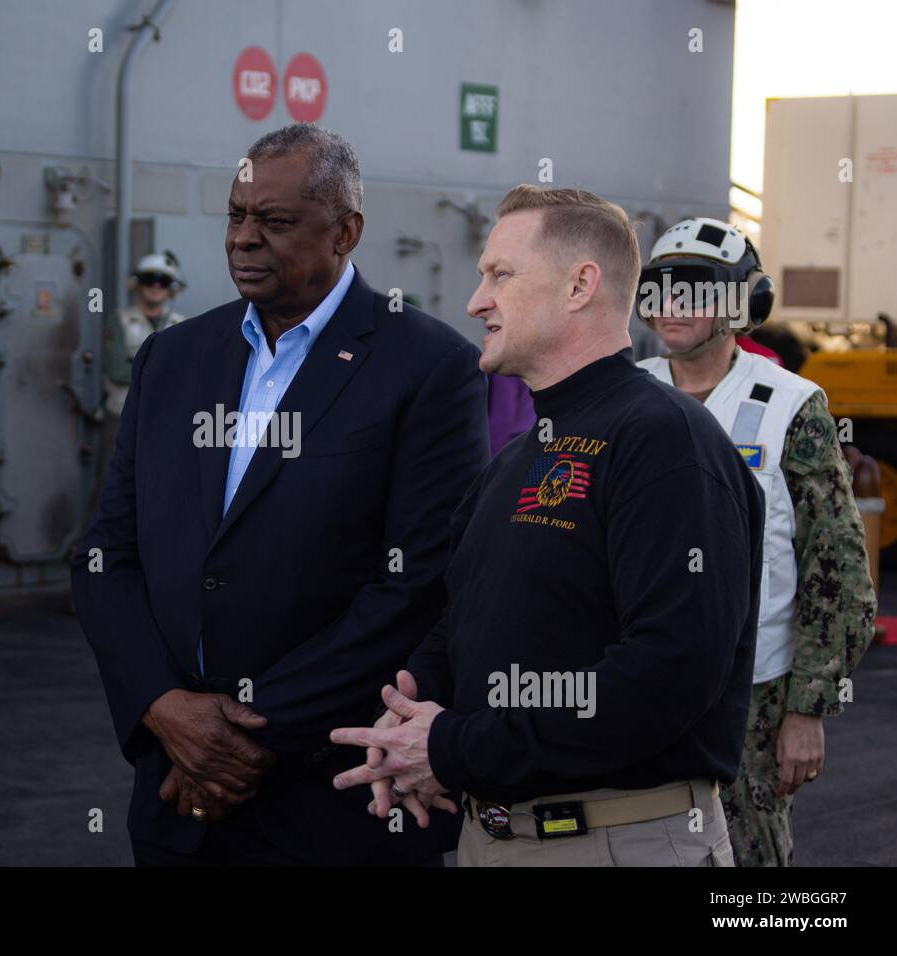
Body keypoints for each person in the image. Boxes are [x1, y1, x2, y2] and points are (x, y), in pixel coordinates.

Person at [71, 123, 489, 865]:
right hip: (175, 791)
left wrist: (237, 734)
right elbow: (108, 553)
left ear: (345, 232)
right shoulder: (173, 358)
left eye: (275, 221)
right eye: (236, 215)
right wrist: (163, 710)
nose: (243, 239)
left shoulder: (429, 368)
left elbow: (417, 588)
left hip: (327, 801)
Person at [330, 185, 763, 866]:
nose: (476, 301)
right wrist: (412, 708)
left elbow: (669, 672)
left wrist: (452, 748)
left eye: (501, 274)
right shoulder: (516, 459)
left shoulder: (665, 439)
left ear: (579, 285)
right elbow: (466, 616)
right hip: (492, 836)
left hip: (617, 842)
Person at [635, 217, 876, 866]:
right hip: (640, 685)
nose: (672, 306)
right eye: (660, 288)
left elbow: (837, 566)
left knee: (747, 864)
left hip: (756, 697)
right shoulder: (627, 393)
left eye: (696, 288)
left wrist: (808, 710)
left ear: (746, 304)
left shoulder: (791, 405)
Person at [100, 251, 187, 475]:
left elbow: (185, 375)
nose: (156, 285)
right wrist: (165, 371)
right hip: (121, 416)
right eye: (150, 279)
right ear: (138, 284)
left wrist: (138, 366)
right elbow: (117, 370)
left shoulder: (181, 324)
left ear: (172, 287)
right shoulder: (120, 320)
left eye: (163, 280)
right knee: (114, 480)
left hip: (165, 418)